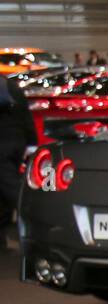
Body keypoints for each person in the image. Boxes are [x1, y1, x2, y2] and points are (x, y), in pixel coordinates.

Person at [0, 73, 36, 253]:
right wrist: (32, 143)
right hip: (17, 143)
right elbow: (26, 116)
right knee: (6, 190)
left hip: (2, 145)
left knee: (12, 190)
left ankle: (34, 224)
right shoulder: (11, 86)